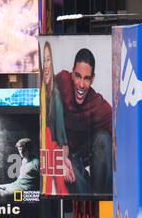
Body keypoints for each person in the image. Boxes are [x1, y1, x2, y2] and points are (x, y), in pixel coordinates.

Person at [43, 41, 112, 195]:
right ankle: (89, 199)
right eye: (78, 76)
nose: (81, 84)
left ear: (92, 79)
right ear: (72, 73)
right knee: (71, 176)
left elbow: (121, 132)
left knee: (104, 138)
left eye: (86, 78)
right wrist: (60, 152)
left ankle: (105, 198)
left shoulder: (98, 104)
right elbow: (47, 115)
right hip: (64, 153)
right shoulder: (61, 81)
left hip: (84, 151)